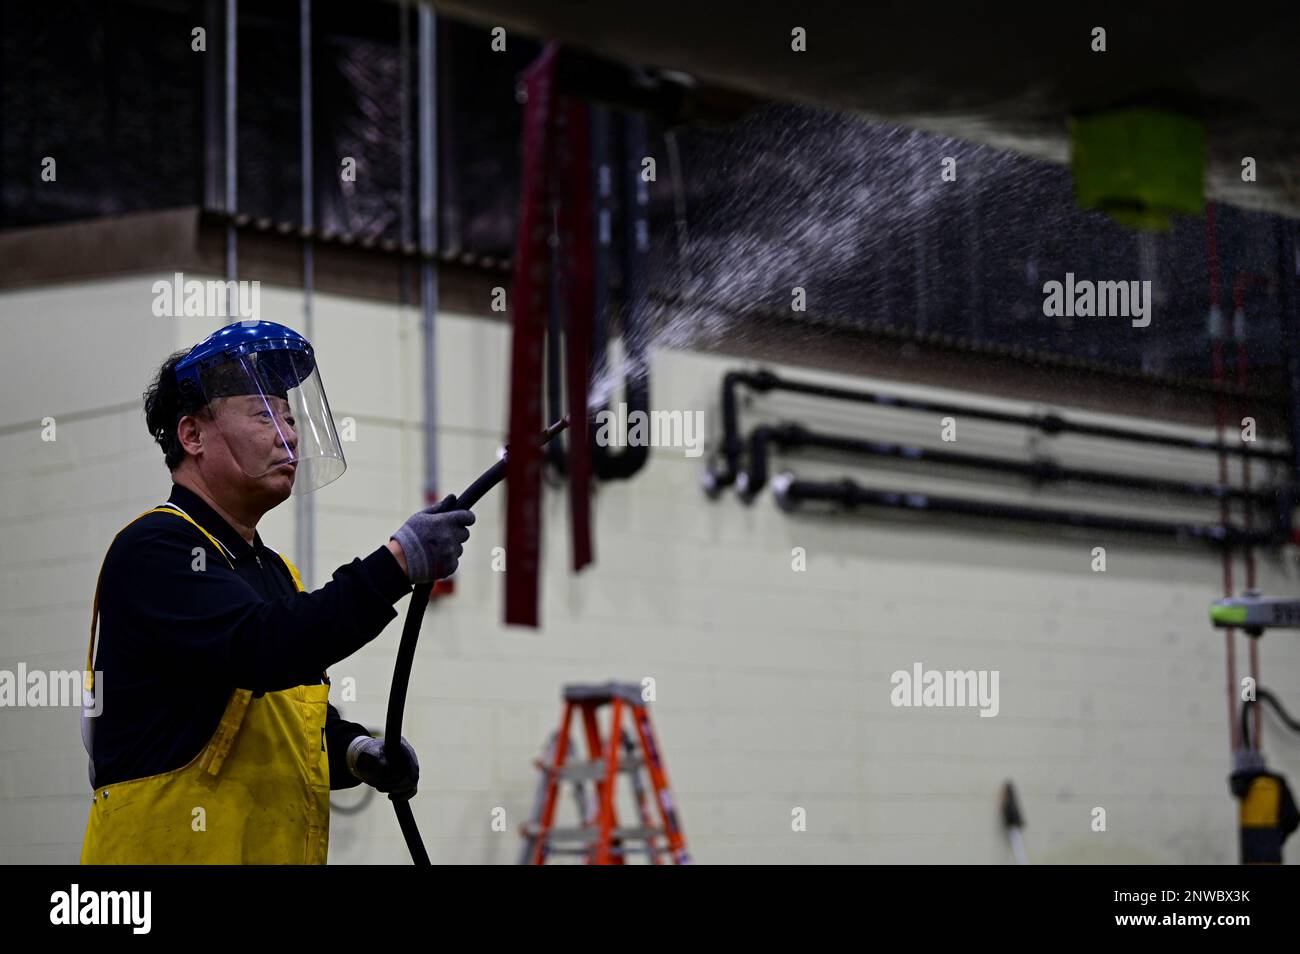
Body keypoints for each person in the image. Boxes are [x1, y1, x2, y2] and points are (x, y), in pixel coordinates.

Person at [80, 319, 475, 864]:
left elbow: (281, 723)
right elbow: (261, 650)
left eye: (289, 417)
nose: (289, 434)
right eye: (264, 416)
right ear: (192, 435)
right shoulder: (154, 549)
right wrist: (397, 564)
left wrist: (356, 751)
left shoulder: (273, 571)